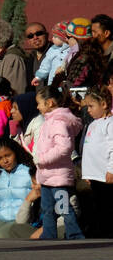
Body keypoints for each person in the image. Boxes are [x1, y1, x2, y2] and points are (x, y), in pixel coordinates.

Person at [31, 84, 85, 239]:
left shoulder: (59, 122)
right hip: (48, 175)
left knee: (64, 207)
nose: (37, 106)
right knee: (47, 208)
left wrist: (42, 159)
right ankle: (49, 234)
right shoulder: (49, 121)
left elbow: (64, 148)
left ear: (49, 103)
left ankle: (75, 235)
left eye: (39, 103)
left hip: (58, 177)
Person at [0, 137, 39, 239]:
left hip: (22, 221)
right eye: (0, 158)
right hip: (1, 220)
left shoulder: (28, 172)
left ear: (16, 153)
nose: (5, 161)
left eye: (8, 155)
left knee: (1, 236)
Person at [79, 89, 113, 237]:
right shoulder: (92, 124)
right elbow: (88, 150)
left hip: (105, 175)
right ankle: (100, 234)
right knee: (97, 206)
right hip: (94, 175)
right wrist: (87, 172)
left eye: (91, 106)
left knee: (107, 207)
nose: (89, 110)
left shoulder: (110, 123)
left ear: (104, 104)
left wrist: (111, 169)